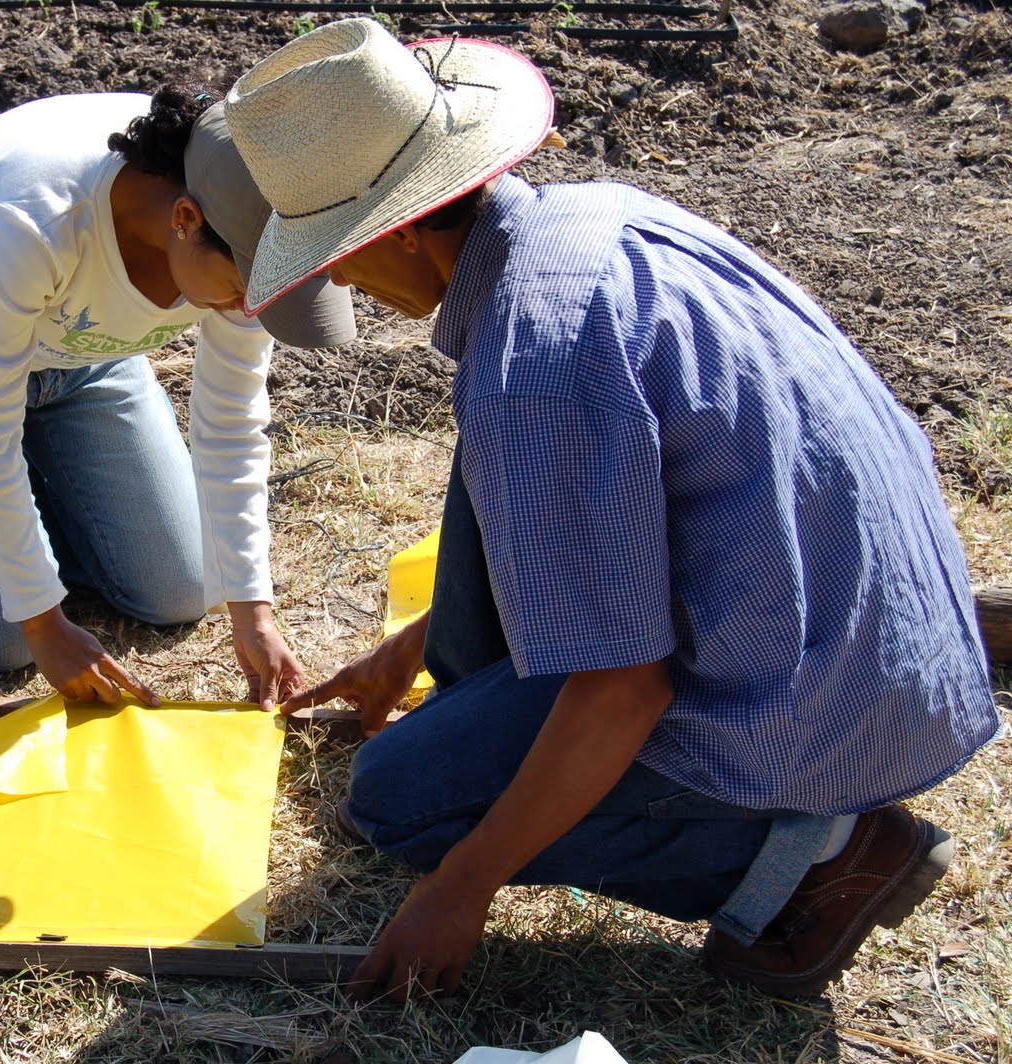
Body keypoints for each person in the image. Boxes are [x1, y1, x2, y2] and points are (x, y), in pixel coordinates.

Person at [225, 18, 1001, 1001]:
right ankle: (516, 741)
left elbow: (623, 688)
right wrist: (413, 645)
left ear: (402, 226)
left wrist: (461, 884)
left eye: (335, 250)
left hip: (809, 707)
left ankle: (823, 848)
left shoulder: (535, 362)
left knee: (401, 802)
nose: (335, 275)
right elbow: (610, 518)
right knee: (490, 469)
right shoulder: (583, 224)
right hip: (865, 648)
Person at [0, 88, 354, 709]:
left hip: (83, 357)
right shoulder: (36, 213)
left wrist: (253, 608)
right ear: (184, 220)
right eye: (242, 293)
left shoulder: (254, 243)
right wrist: (43, 623)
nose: (249, 311)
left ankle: (11, 493)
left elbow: (231, 423)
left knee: (184, 587)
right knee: (0, 637)